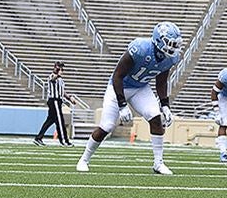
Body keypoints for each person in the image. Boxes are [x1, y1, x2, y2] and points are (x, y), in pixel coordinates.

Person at [76, 22, 181, 174]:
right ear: (159, 40)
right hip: (119, 86)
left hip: (140, 88)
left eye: (175, 44)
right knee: (107, 126)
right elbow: (117, 76)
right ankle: (84, 159)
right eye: (170, 43)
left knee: (156, 118)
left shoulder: (170, 58)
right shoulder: (140, 48)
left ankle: (158, 163)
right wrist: (122, 104)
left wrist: (165, 105)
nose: (173, 48)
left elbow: (162, 81)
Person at [35, 61, 77, 146]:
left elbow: (62, 91)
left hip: (58, 101)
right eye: (59, 67)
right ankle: (64, 140)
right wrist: (58, 74)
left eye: (62, 68)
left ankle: (38, 138)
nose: (61, 69)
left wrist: (69, 98)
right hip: (54, 100)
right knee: (60, 121)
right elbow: (52, 79)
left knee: (50, 121)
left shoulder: (60, 79)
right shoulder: (52, 76)